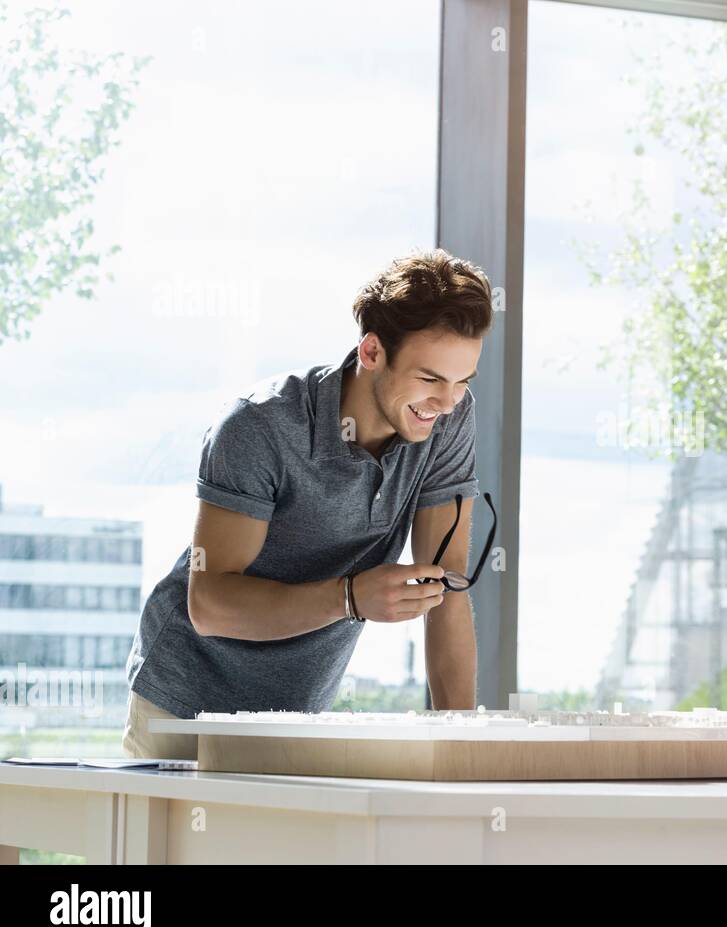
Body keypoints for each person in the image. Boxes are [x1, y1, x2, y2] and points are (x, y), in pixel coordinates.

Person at [122, 249, 493, 759]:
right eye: (429, 379)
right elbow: (209, 606)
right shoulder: (261, 426)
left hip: (298, 713)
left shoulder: (447, 417)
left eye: (462, 381)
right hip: (185, 705)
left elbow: (445, 588)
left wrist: (460, 748)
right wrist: (350, 598)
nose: (447, 402)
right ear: (372, 353)